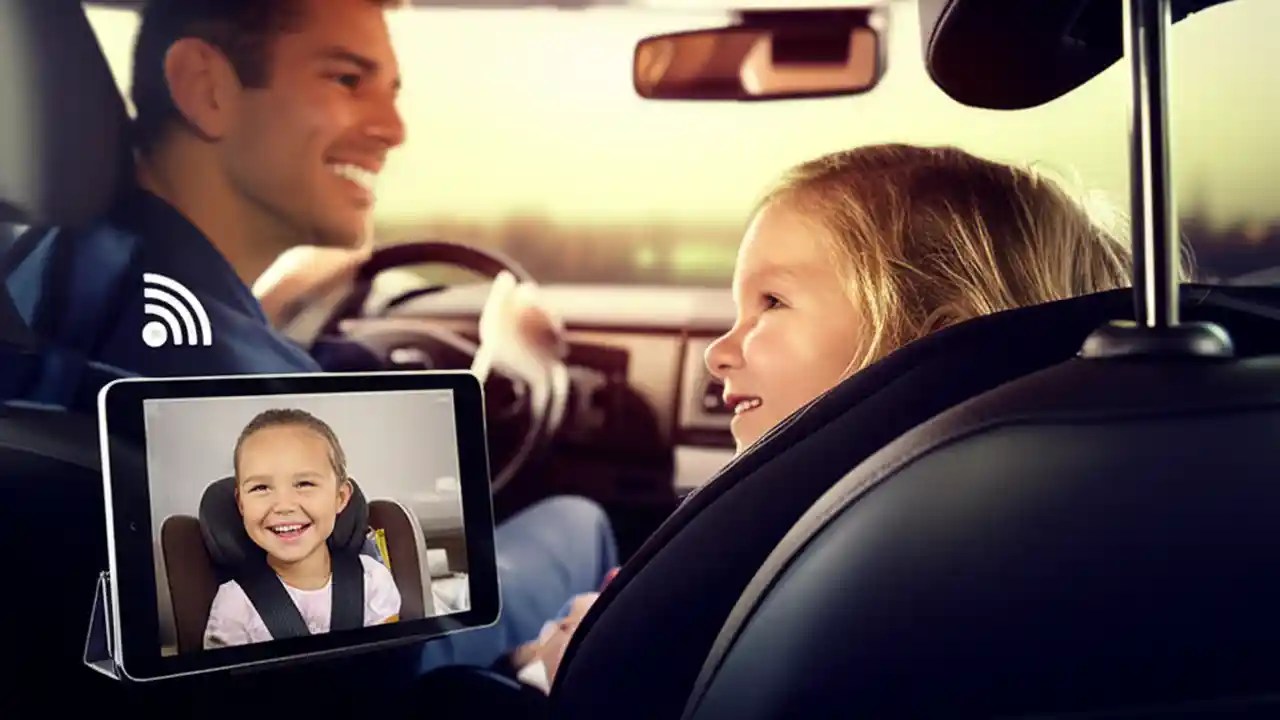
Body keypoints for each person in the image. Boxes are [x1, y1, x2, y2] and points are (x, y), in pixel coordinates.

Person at [5, 0, 616, 679]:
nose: (394, 129)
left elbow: (169, 344)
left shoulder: (49, 272)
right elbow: (397, 626)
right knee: (578, 518)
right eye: (347, 80)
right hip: (375, 664)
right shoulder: (238, 385)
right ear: (207, 87)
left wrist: (273, 297)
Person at [527, 142, 1135, 686]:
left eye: (771, 302)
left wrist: (585, 661)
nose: (718, 353)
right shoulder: (1058, 533)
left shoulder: (806, 545)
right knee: (579, 522)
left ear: (931, 340)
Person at [203, 408, 402, 649]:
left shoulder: (372, 581)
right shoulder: (234, 605)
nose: (284, 506)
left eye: (304, 483)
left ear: (340, 497)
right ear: (241, 504)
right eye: (261, 488)